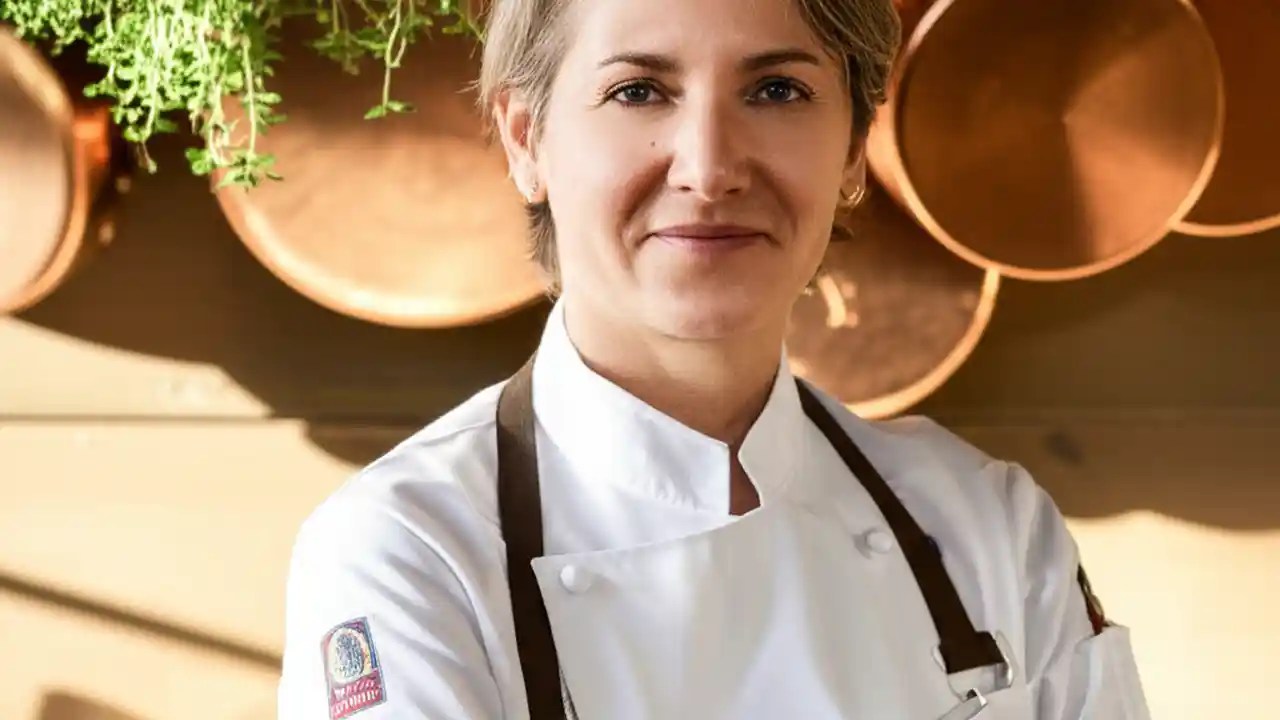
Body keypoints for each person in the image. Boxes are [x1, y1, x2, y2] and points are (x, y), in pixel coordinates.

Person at [277, 0, 1152, 716]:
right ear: (524, 138)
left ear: (852, 146)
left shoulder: (990, 529)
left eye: (775, 89)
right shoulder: (409, 552)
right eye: (638, 92)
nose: (709, 166)